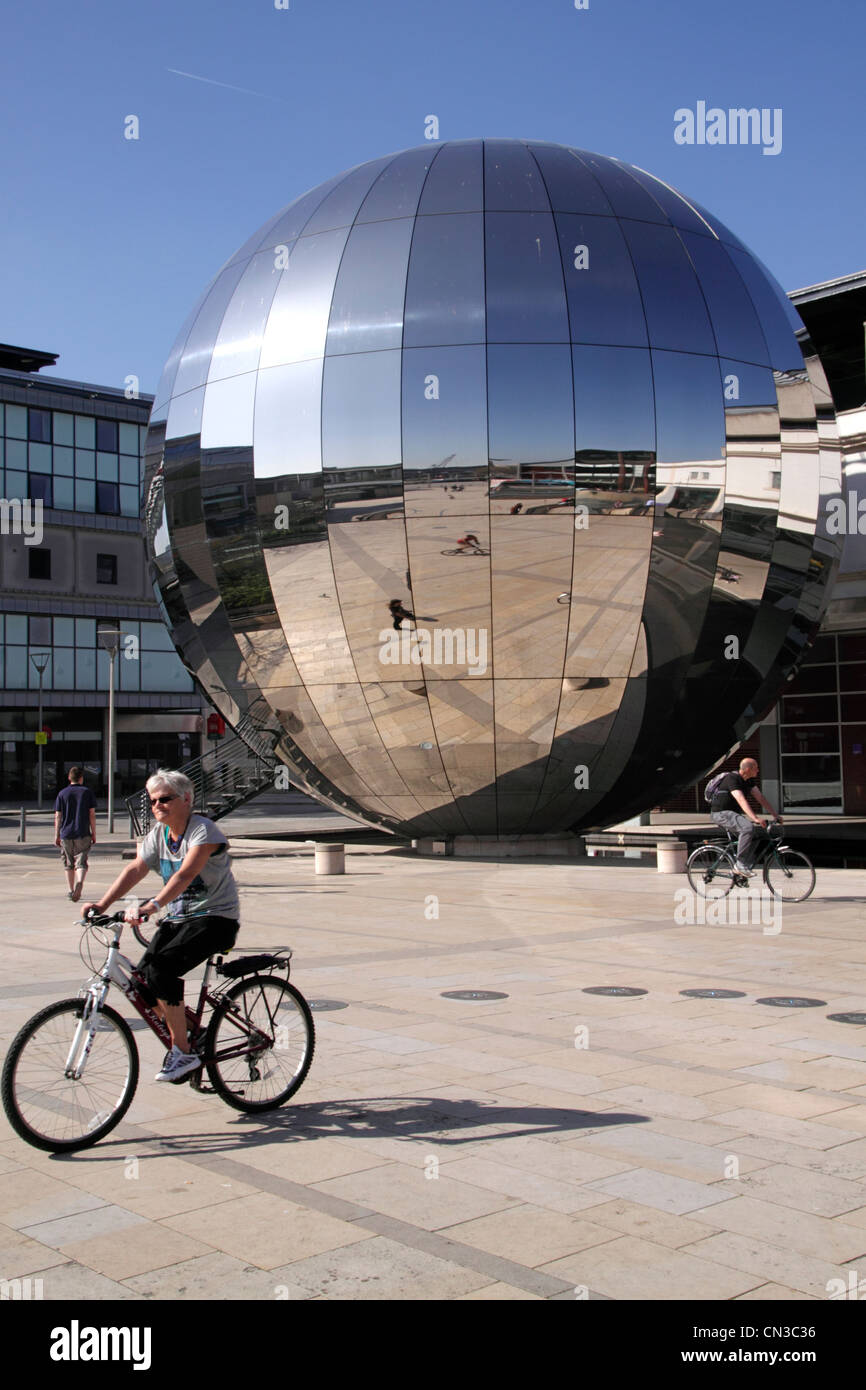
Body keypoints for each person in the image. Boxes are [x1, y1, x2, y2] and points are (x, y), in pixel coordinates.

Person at [80, 768, 240, 1083]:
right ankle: (194, 1033)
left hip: (215, 919)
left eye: (164, 799)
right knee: (141, 983)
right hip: (179, 919)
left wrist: (152, 905)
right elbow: (136, 868)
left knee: (162, 972)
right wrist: (103, 905)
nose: (157, 806)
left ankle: (183, 1053)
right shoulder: (158, 836)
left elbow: (185, 875)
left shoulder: (204, 831)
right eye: (153, 801)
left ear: (186, 799)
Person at [709, 757, 782, 875]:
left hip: (732, 815)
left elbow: (760, 798)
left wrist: (775, 815)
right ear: (748, 769)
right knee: (747, 828)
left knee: (755, 836)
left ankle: (742, 866)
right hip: (721, 813)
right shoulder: (732, 779)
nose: (758, 770)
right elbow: (741, 799)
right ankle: (740, 864)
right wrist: (755, 818)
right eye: (756, 768)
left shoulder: (748, 781)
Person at [54, 766, 97, 902]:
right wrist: (93, 833)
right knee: (81, 860)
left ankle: (70, 890)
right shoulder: (87, 792)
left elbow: (58, 816)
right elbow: (92, 814)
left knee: (68, 862)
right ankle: (80, 882)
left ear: (69, 778)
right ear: (81, 778)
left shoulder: (62, 794)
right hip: (82, 831)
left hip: (66, 833)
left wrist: (57, 835)